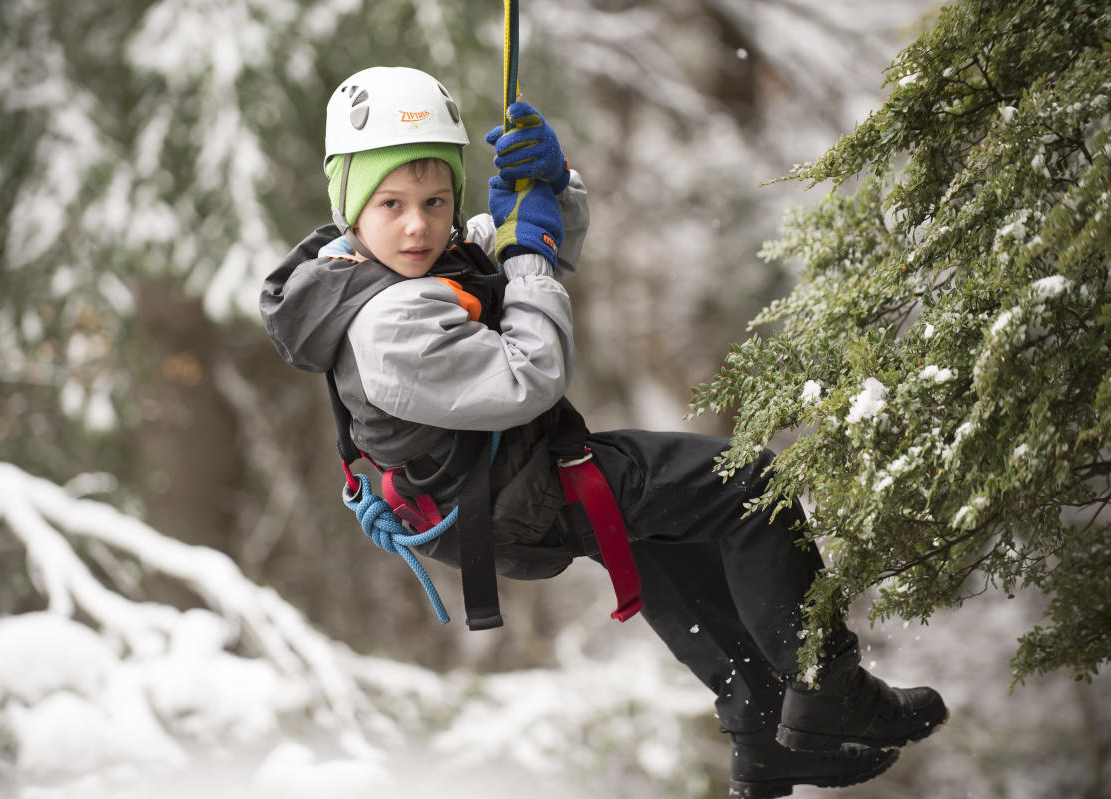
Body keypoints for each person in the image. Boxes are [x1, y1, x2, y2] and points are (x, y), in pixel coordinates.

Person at [260, 65, 948, 799]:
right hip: (509, 502)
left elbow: (527, 247)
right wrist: (528, 252)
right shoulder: (389, 320)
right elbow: (530, 371)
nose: (418, 224)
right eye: (391, 203)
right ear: (349, 209)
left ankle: (763, 724)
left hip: (497, 497)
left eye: (435, 200)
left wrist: (549, 188)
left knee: (662, 527)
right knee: (748, 483)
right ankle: (824, 679)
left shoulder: (387, 267)